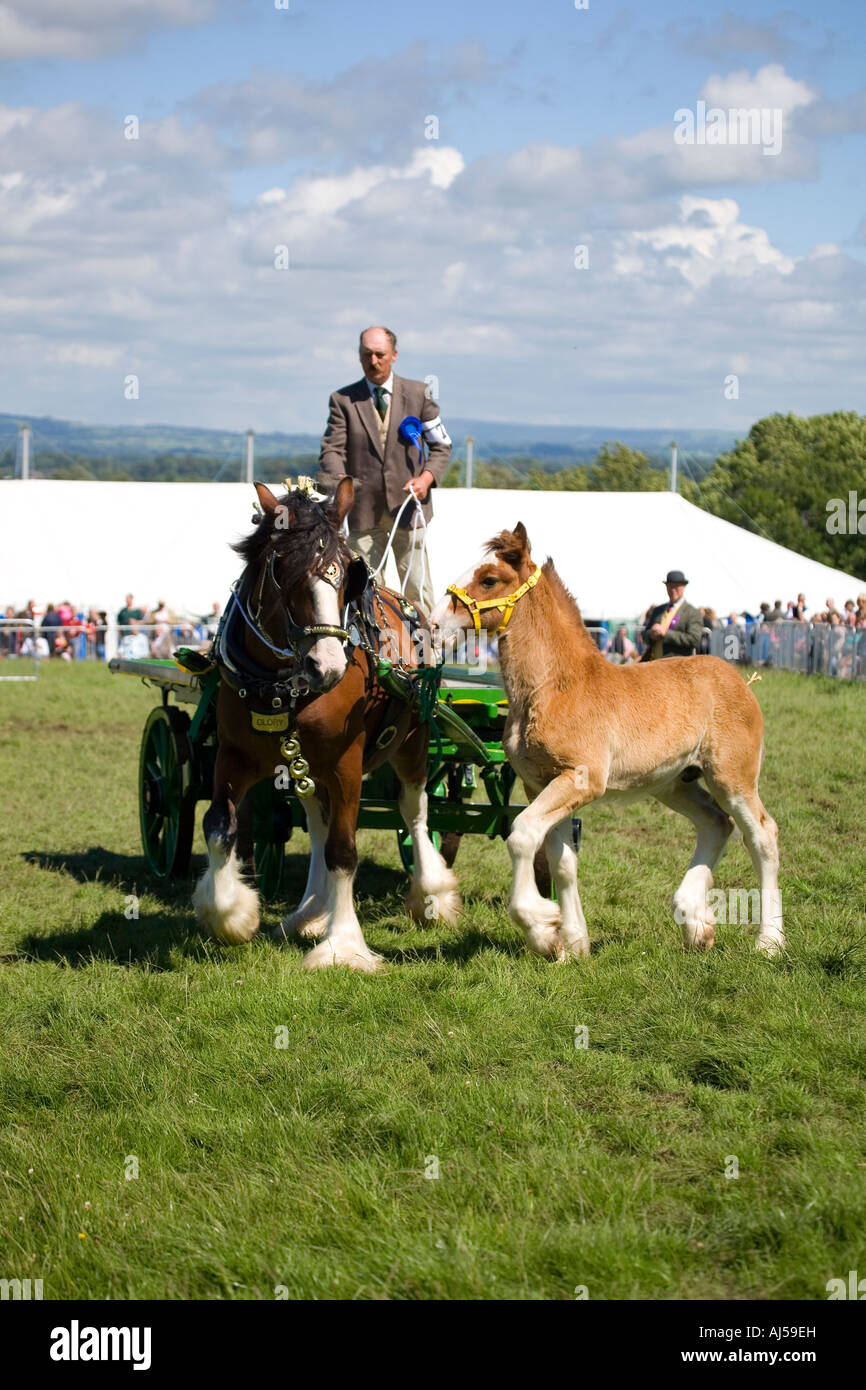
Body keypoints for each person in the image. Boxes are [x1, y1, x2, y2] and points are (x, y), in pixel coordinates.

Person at [317, 325, 452, 614]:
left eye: (380, 354)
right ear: (359, 356)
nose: (373, 361)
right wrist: (340, 480)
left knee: (417, 586)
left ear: (394, 355)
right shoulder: (342, 400)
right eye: (367, 355)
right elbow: (331, 449)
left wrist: (426, 479)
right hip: (363, 512)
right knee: (365, 589)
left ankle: (424, 648)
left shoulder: (420, 394)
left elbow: (441, 446)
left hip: (410, 510)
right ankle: (373, 652)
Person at [640, 570, 703, 660]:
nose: (673, 590)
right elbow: (645, 635)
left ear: (683, 587)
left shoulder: (692, 613)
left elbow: (694, 639)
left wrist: (666, 633)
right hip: (654, 666)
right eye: (670, 586)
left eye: (676, 586)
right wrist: (651, 635)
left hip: (677, 666)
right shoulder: (658, 610)